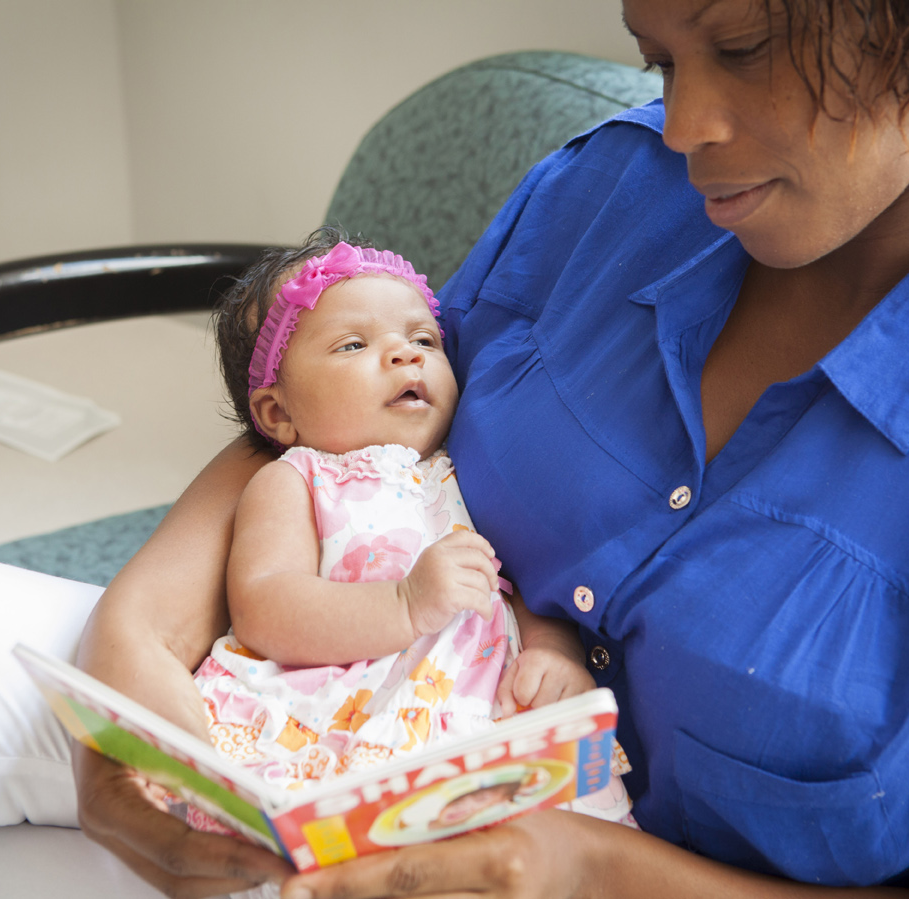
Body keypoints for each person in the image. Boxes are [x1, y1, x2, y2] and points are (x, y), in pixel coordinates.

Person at [0, 1, 909, 897]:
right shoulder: (612, 190)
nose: (689, 121)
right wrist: (137, 639)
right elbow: (349, 421)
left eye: (749, 41)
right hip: (340, 753)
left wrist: (567, 865)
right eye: (659, 55)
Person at [177, 231, 633, 837]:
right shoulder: (297, 482)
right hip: (347, 717)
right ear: (278, 414)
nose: (405, 355)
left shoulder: (472, 467)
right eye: (353, 344)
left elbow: (523, 586)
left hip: (477, 719)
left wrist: (554, 651)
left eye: (423, 339)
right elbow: (266, 607)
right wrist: (404, 603)